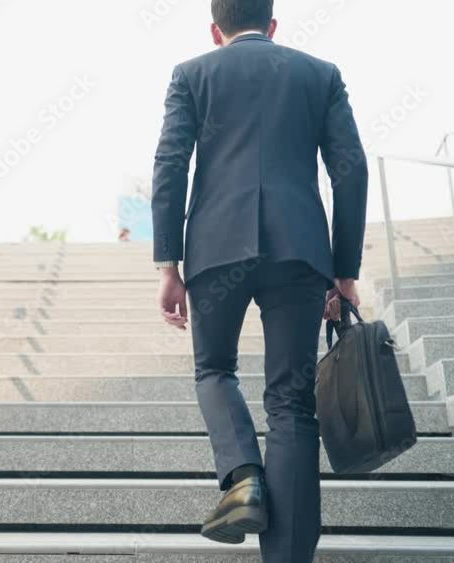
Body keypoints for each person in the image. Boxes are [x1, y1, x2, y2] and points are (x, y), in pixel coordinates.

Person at [150, 0, 368, 561]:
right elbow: (351, 171)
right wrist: (344, 274)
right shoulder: (320, 74)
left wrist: (167, 265)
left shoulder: (192, 74)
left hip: (216, 250)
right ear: (273, 25)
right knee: (292, 404)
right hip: (299, 252)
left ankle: (243, 475)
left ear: (215, 30)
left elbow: (171, 164)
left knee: (215, 369)